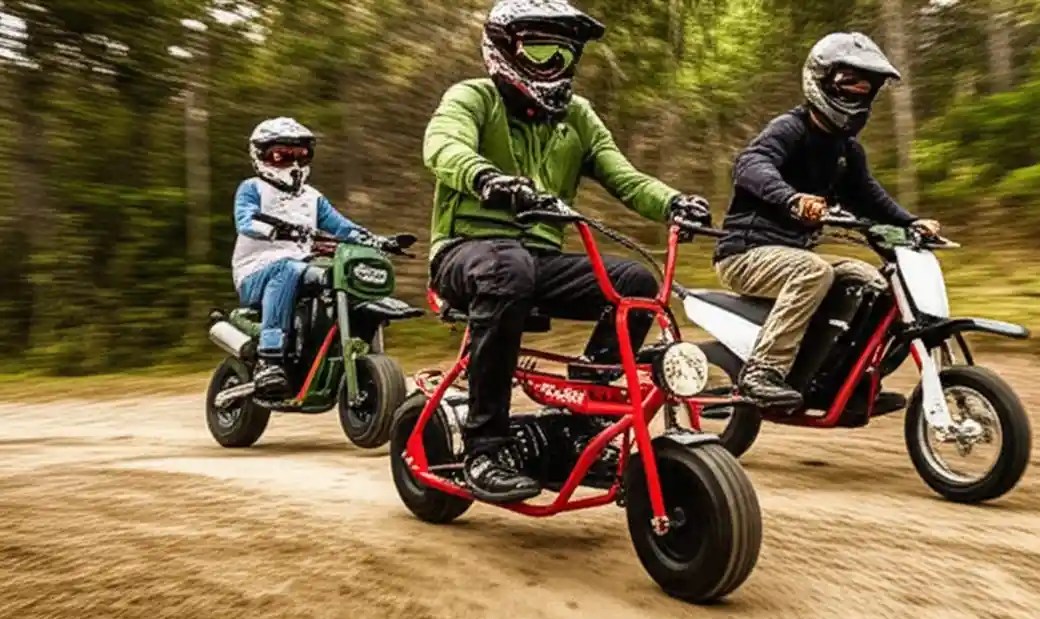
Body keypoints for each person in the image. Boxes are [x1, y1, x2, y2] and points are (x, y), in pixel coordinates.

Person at [423, 0, 712, 504]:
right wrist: (486, 178)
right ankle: (484, 448)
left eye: (564, 52)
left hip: (540, 262)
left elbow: (623, 176)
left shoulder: (577, 116)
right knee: (507, 269)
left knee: (636, 284)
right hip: (464, 253)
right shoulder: (472, 97)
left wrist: (674, 204)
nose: (552, 63)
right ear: (504, 50)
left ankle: (587, 411)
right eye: (539, 49)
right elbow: (442, 146)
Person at [714, 32, 942, 410]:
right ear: (820, 81)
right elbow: (750, 165)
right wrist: (791, 199)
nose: (856, 94)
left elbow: (869, 196)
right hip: (744, 254)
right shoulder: (791, 128)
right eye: (848, 83)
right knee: (814, 271)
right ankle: (762, 372)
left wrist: (912, 221)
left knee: (876, 285)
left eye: (865, 87)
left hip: (794, 254)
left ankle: (845, 382)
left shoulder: (847, 150)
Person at [231, 117, 380, 397]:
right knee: (286, 269)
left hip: (300, 266)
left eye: (301, 155)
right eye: (282, 155)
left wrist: (376, 240)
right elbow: (245, 221)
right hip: (255, 272)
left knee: (337, 272)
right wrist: (277, 229)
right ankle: (269, 359)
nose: (294, 164)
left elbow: (342, 227)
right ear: (261, 156)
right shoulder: (252, 188)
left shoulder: (312, 197)